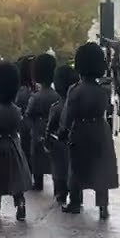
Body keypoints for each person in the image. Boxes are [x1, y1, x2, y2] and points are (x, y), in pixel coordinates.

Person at [60, 43, 119, 217]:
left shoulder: (75, 90)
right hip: (101, 130)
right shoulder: (104, 89)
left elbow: (68, 113)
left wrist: (63, 131)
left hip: (81, 131)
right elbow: (108, 109)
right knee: (101, 168)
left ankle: (75, 202)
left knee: (77, 168)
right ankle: (103, 207)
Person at [0, 61, 34, 221]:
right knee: (16, 178)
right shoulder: (16, 110)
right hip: (14, 144)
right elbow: (21, 126)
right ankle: (20, 203)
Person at [24, 53, 58, 192]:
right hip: (53, 127)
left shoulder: (35, 97)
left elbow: (28, 114)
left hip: (38, 127)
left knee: (37, 158)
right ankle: (58, 188)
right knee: (54, 160)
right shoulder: (56, 95)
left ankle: (38, 183)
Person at [44, 64, 78, 205]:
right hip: (75, 144)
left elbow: (50, 127)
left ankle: (60, 195)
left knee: (58, 172)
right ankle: (76, 196)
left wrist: (46, 141)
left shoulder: (56, 107)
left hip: (58, 145)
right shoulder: (77, 104)